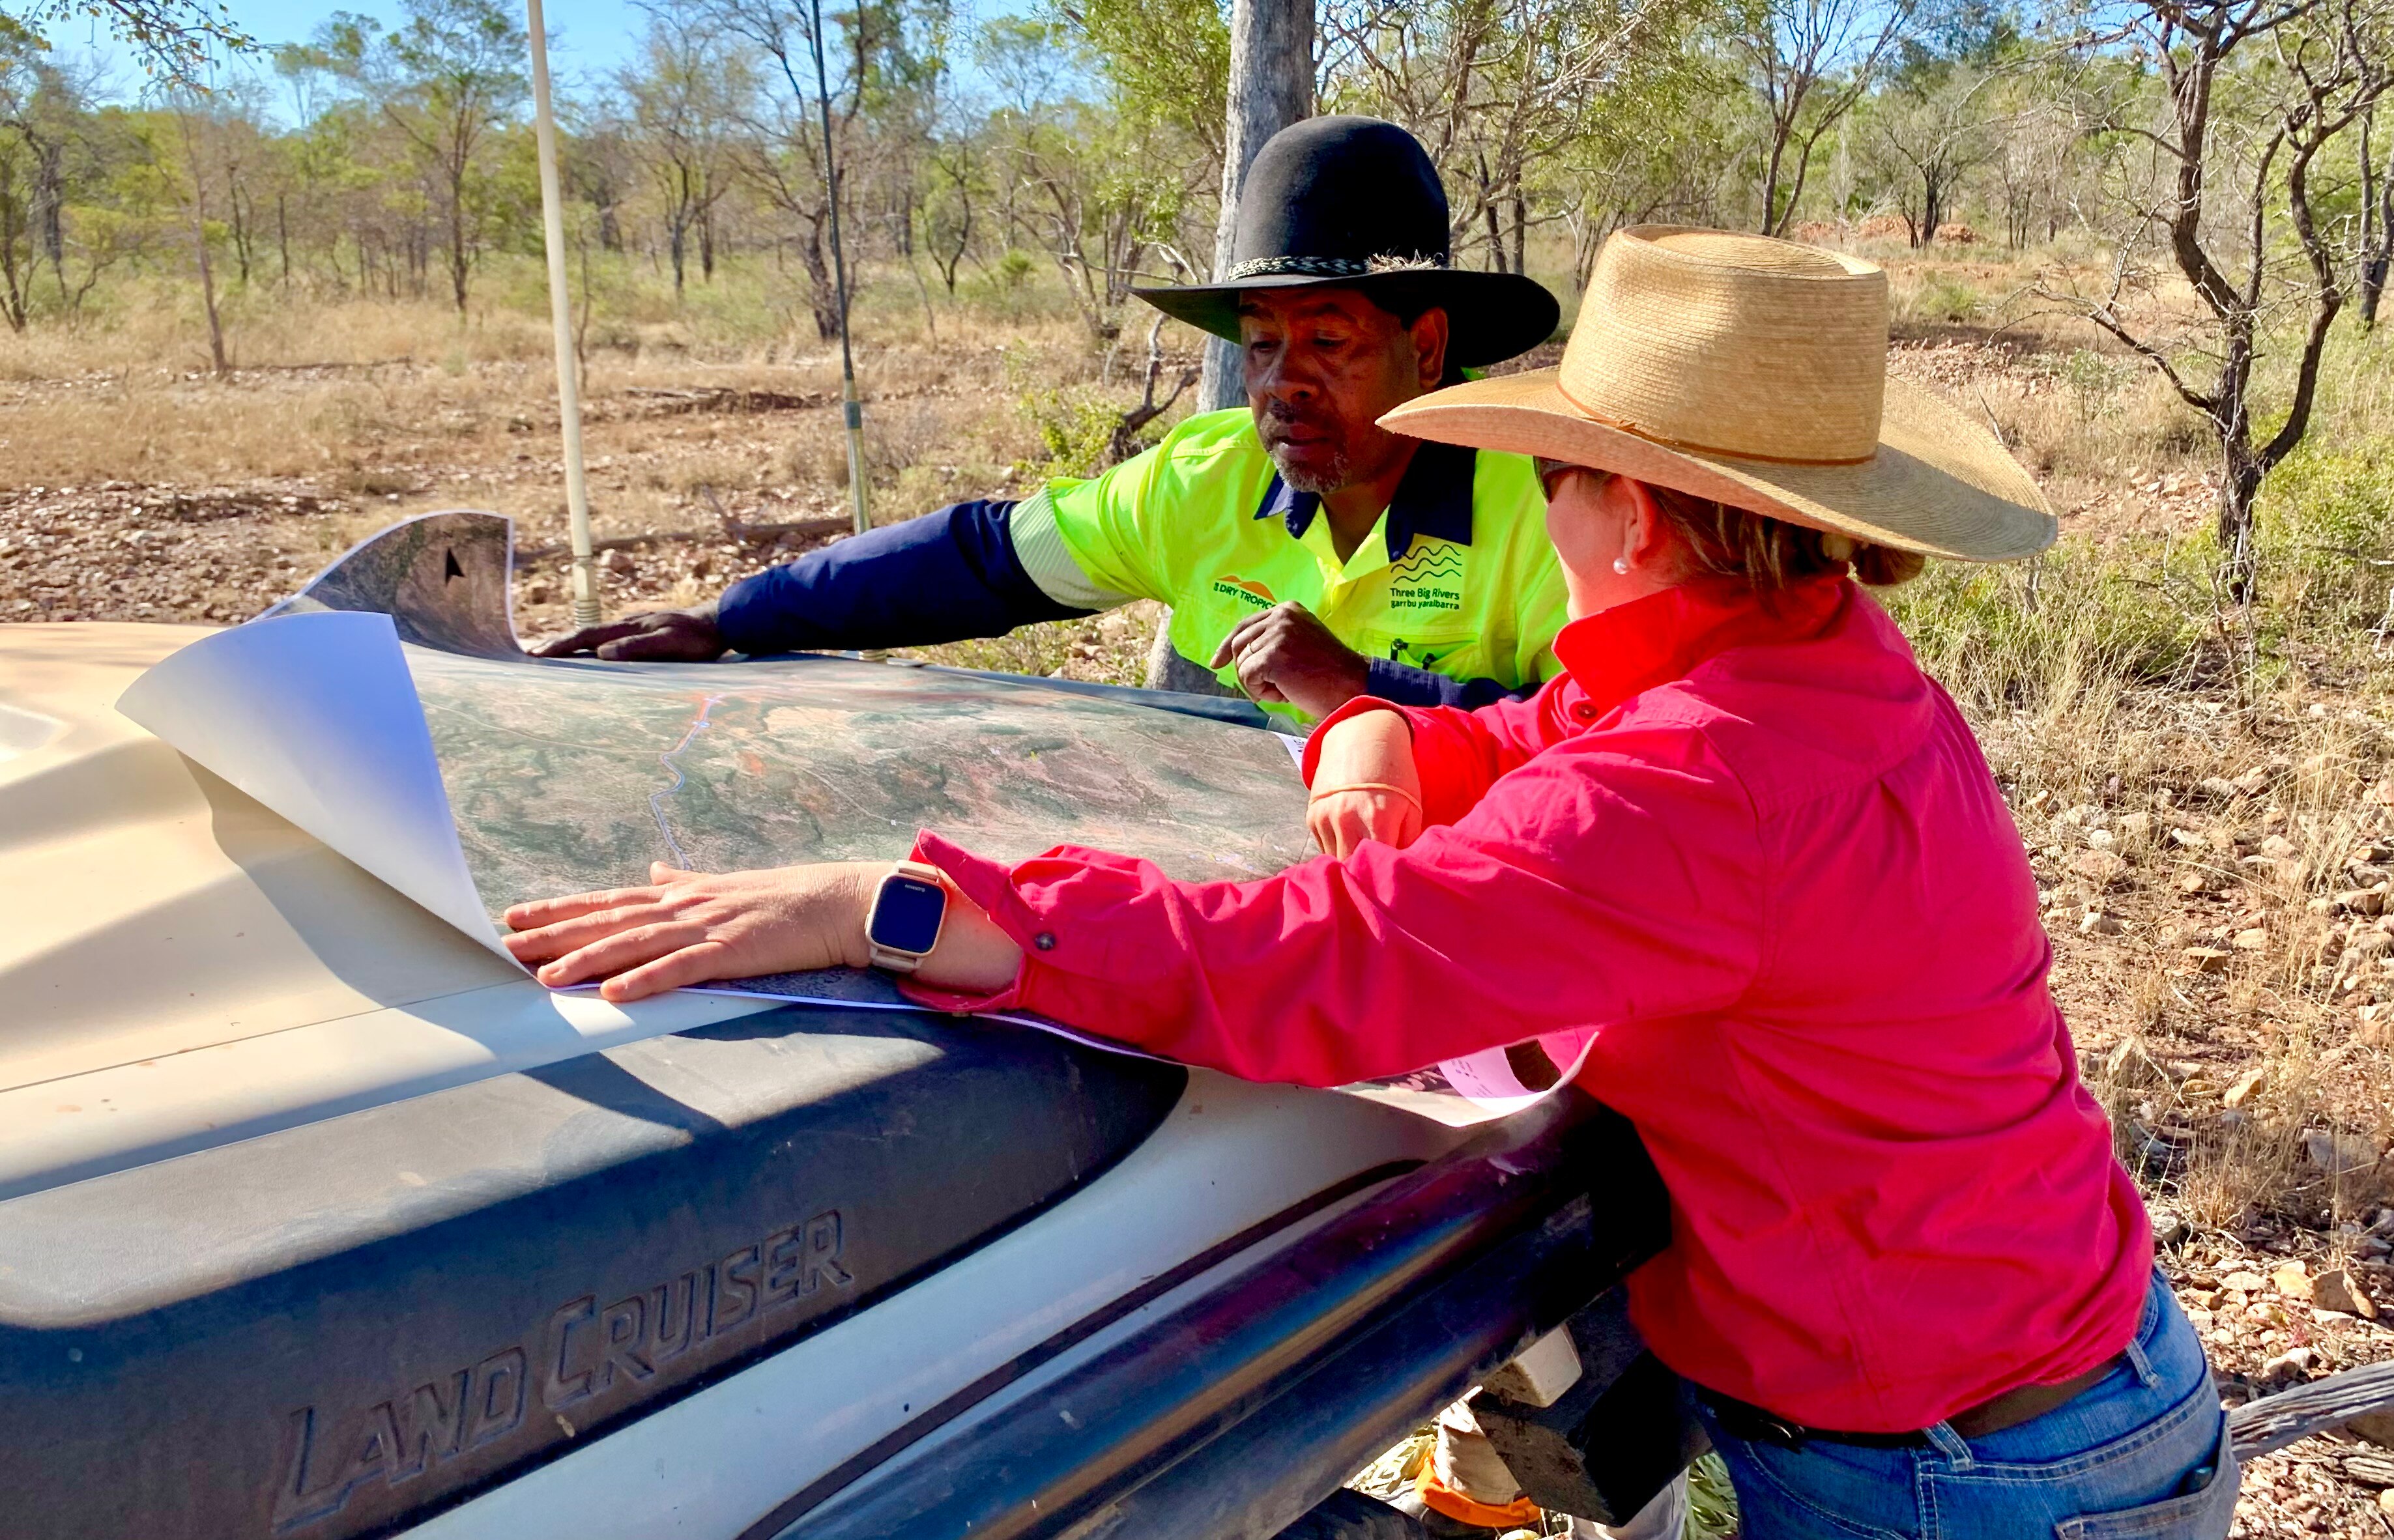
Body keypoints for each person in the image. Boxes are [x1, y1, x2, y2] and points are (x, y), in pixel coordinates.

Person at [502, 228, 2238, 1538]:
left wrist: (904, 905)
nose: (1537, 502)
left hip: (1960, 1462)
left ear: (1627, 513)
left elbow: (1324, 962)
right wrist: (1376, 743)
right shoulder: (1801, 657)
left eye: (1557, 470)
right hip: (2039, 1370)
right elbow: (1534, 740)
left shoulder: (1704, 778)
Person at [536, 115, 1569, 726]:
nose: (1280, 384)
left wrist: (1368, 691)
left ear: (1426, 348)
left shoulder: (1553, 504)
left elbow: (1628, 755)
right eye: (1259, 341)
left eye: (1329, 339)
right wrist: (733, 621)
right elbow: (984, 563)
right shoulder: (1204, 480)